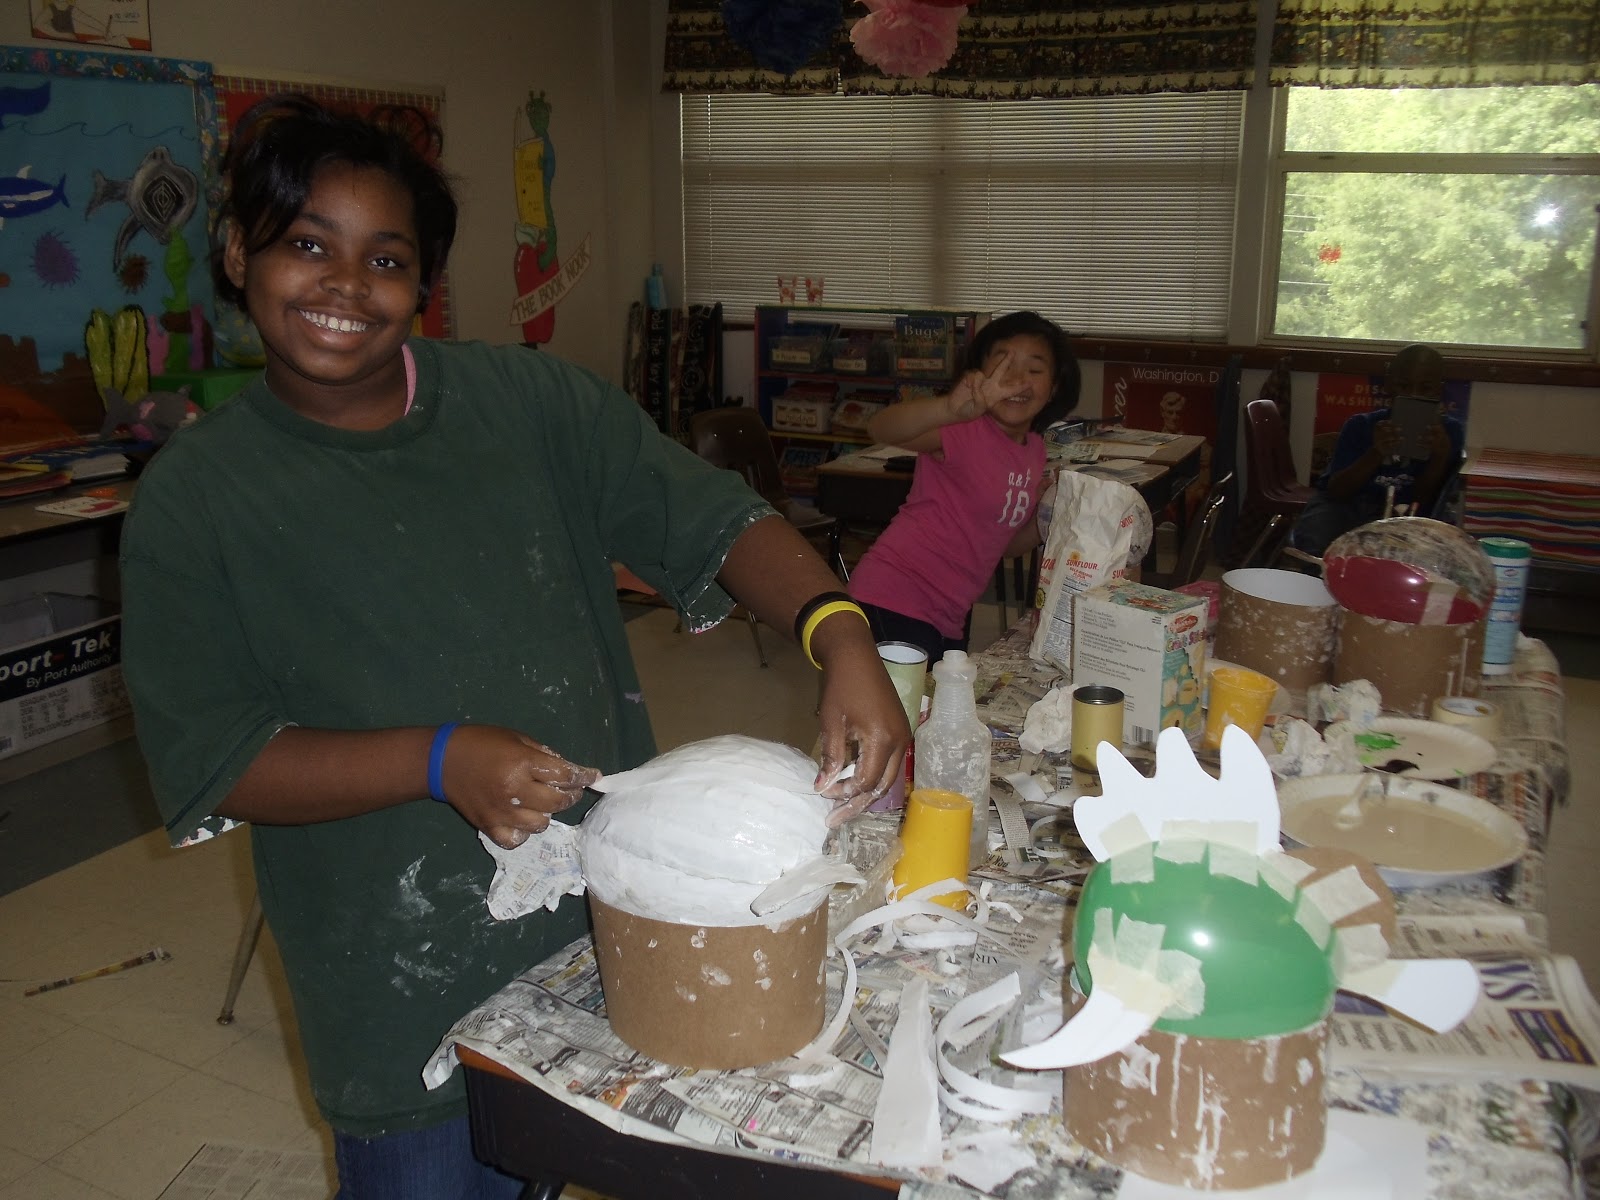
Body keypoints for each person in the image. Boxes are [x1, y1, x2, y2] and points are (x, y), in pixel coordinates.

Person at [118, 95, 907, 1199]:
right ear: (240, 251)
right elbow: (224, 757)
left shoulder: (527, 405)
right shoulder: (195, 500)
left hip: (600, 927)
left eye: (385, 258)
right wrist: (437, 761)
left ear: (423, 281)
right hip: (394, 975)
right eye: (308, 244)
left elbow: (715, 519)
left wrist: (842, 636)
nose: (346, 285)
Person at [846, 311, 1079, 665]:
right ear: (978, 375)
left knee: (934, 714)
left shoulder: (1034, 451)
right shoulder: (964, 428)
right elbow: (879, 429)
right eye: (1003, 367)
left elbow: (1002, 542)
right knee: (899, 716)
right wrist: (948, 409)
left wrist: (1047, 515)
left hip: (950, 614)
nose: (1017, 381)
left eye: (1034, 370)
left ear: (1055, 386)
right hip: (894, 595)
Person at [1290, 343, 1466, 557]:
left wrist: (1439, 457)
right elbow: (1336, 491)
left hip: (1407, 511)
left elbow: (1427, 499)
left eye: (1425, 389)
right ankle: (1313, 578)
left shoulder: (1449, 432)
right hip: (1350, 504)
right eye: (1403, 386)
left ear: (1439, 391)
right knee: (1319, 530)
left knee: (1417, 546)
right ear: (1389, 386)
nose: (1413, 395)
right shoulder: (1360, 425)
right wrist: (1376, 452)